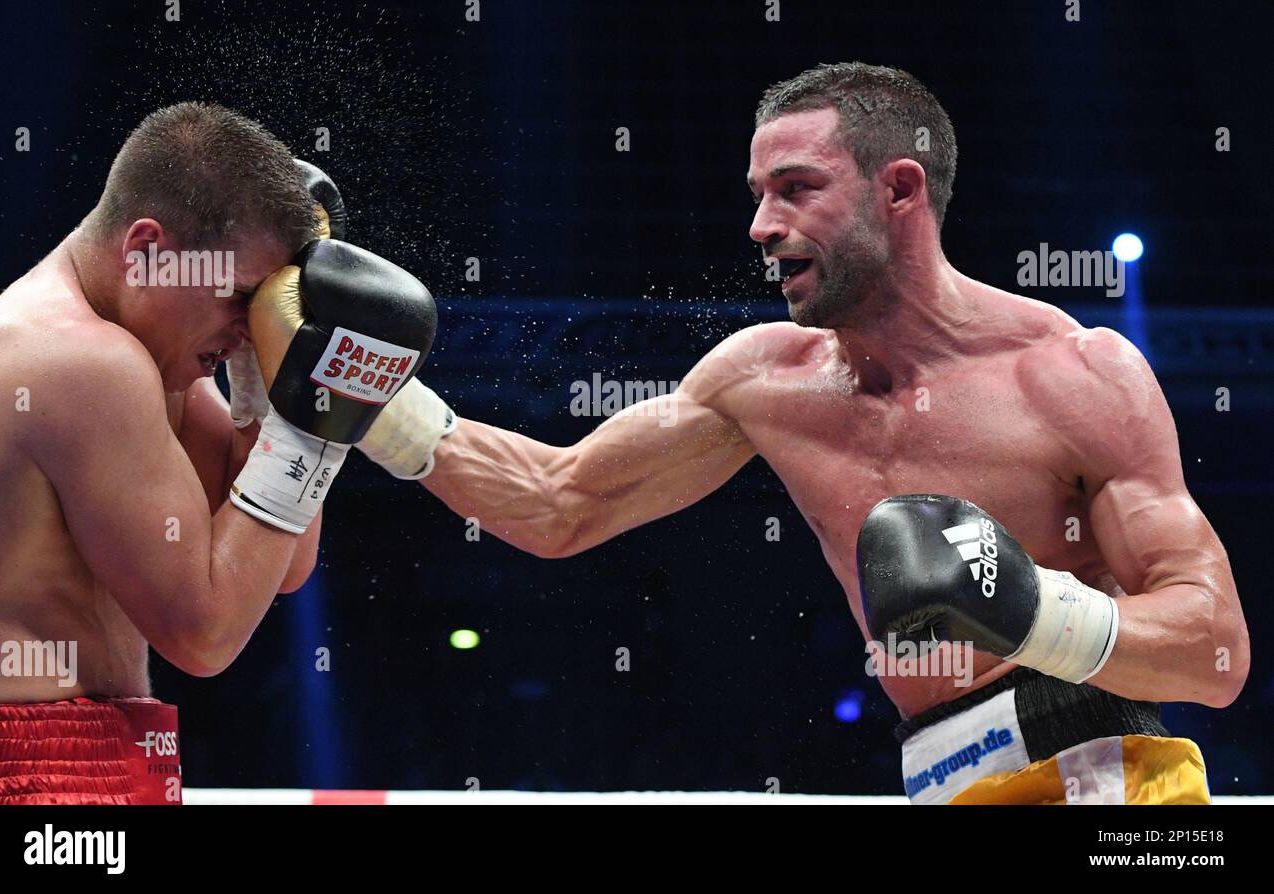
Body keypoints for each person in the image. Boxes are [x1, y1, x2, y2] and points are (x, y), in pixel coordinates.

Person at [356, 63, 1249, 804]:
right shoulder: (765, 377)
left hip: (1106, 779)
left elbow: (1214, 650)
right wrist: (365, 398)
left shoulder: (1073, 374)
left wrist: (1029, 610)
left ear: (899, 187)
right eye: (757, 196)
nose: (760, 227)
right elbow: (559, 505)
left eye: (796, 190)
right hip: (939, 772)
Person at [0, 102, 435, 804]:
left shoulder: (146, 361)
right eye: (242, 298)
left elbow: (279, 567)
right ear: (148, 248)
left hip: (97, 754)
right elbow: (206, 633)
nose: (249, 327)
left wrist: (265, 387)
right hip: (30, 772)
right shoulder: (80, 362)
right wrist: (310, 428)